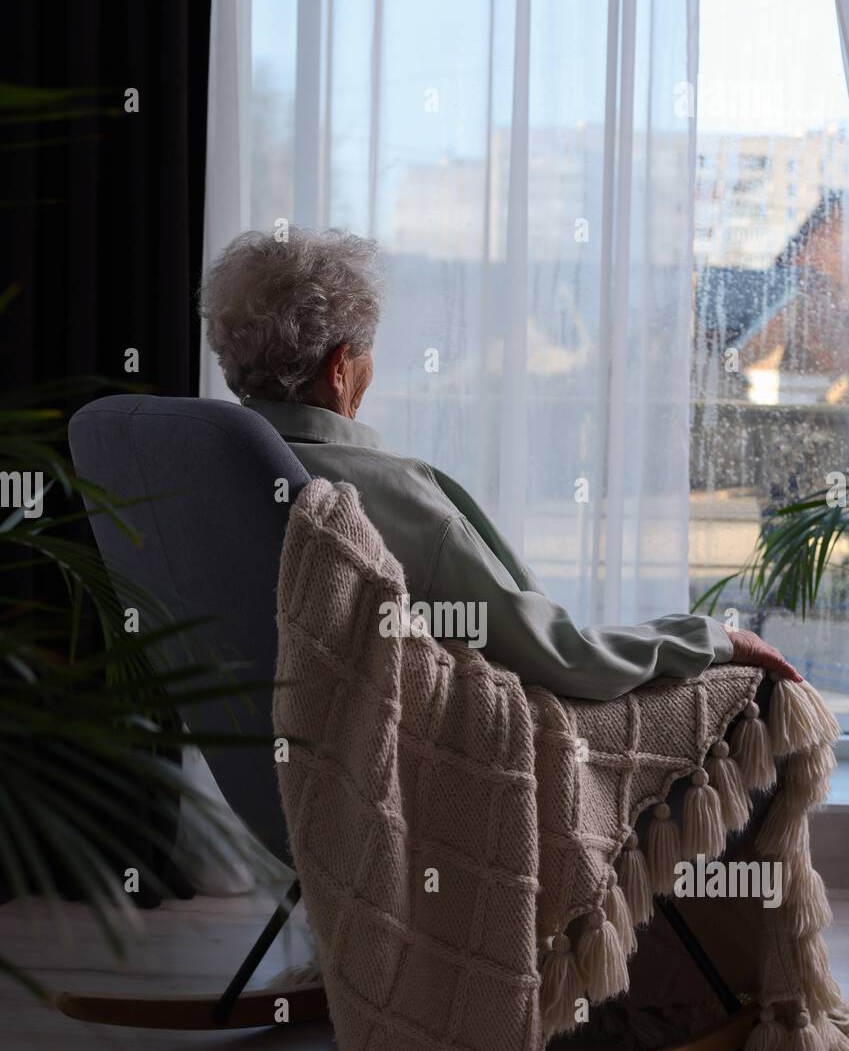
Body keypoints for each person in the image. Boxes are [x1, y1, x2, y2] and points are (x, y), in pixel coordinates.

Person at [200, 227, 800, 700]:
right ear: (340, 369)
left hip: (267, 782)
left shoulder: (205, 468)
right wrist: (713, 636)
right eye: (367, 356)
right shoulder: (389, 495)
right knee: (748, 704)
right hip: (411, 786)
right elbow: (563, 658)